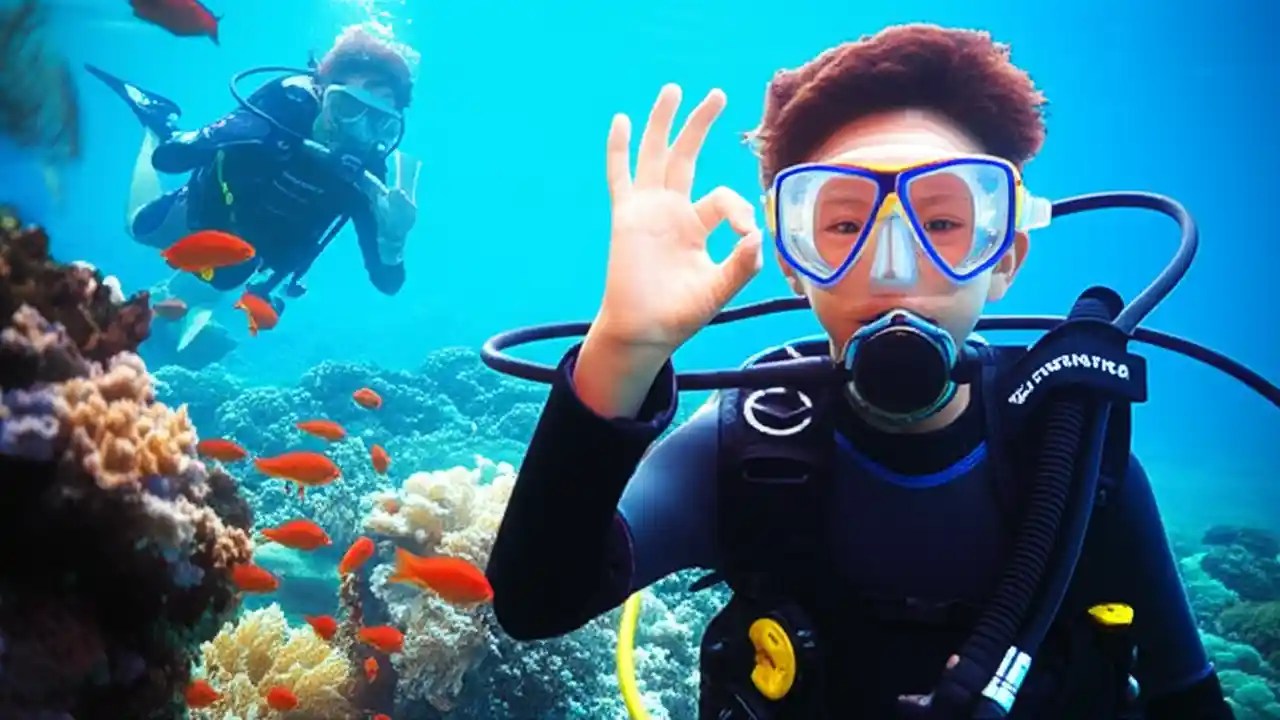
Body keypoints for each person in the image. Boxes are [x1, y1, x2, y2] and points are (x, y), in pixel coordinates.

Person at [485, 24, 1237, 719]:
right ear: (793, 264)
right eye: (842, 226)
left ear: (1005, 256)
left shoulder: (1072, 460)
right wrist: (623, 347)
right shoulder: (746, 452)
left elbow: (1189, 701)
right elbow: (535, 602)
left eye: (943, 224)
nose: (893, 268)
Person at [84, 25, 419, 355]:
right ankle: (157, 121)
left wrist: (393, 241)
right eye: (348, 108)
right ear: (321, 91)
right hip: (206, 213)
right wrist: (259, 135)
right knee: (139, 227)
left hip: (256, 255)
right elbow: (171, 158)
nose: (358, 132)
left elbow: (387, 283)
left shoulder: (369, 175)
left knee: (223, 281)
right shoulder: (286, 105)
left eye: (379, 122)